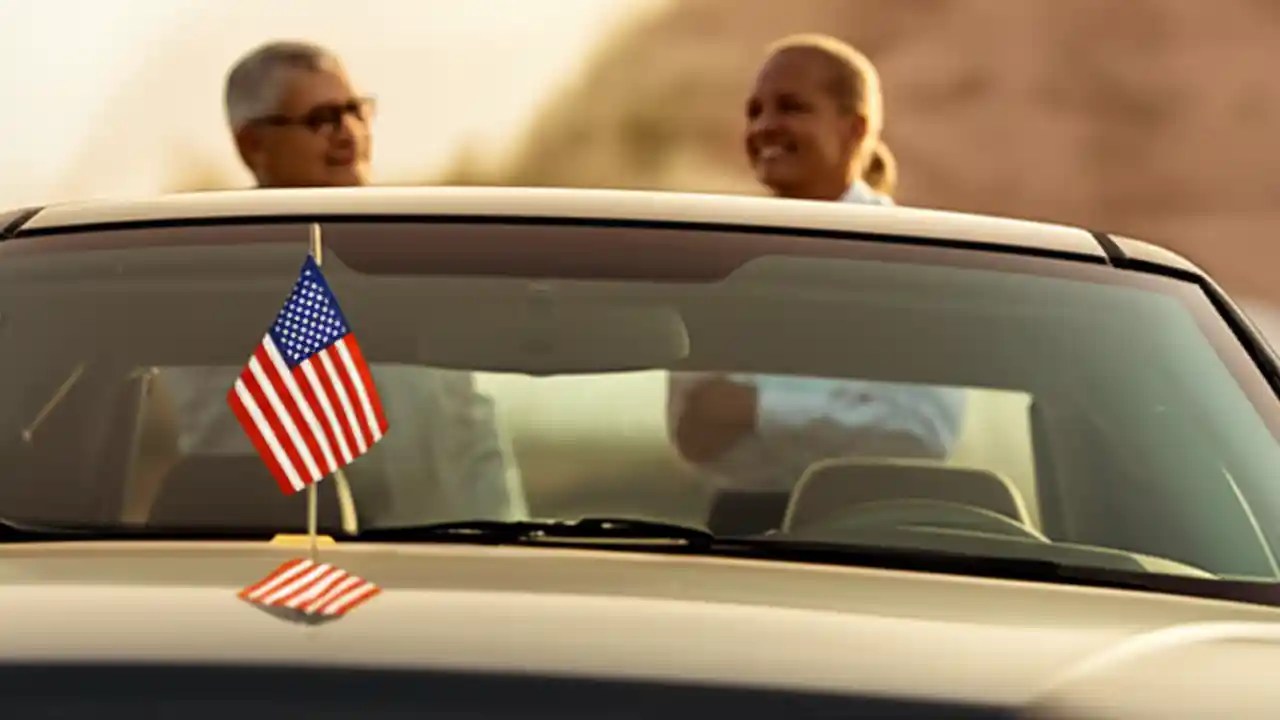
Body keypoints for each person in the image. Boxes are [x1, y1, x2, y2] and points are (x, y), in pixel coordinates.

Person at [150, 41, 526, 527]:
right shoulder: (211, 273)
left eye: (356, 111)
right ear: (253, 144)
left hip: (450, 570)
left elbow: (472, 438)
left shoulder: (420, 259)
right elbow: (243, 455)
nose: (348, 133)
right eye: (322, 118)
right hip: (273, 567)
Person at [667, 34, 967, 494]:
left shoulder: (915, 260)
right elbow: (696, 432)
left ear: (855, 130)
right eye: (754, 111)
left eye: (791, 107)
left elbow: (919, 433)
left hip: (874, 535)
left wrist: (757, 409)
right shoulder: (723, 261)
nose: (765, 126)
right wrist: (843, 415)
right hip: (737, 538)